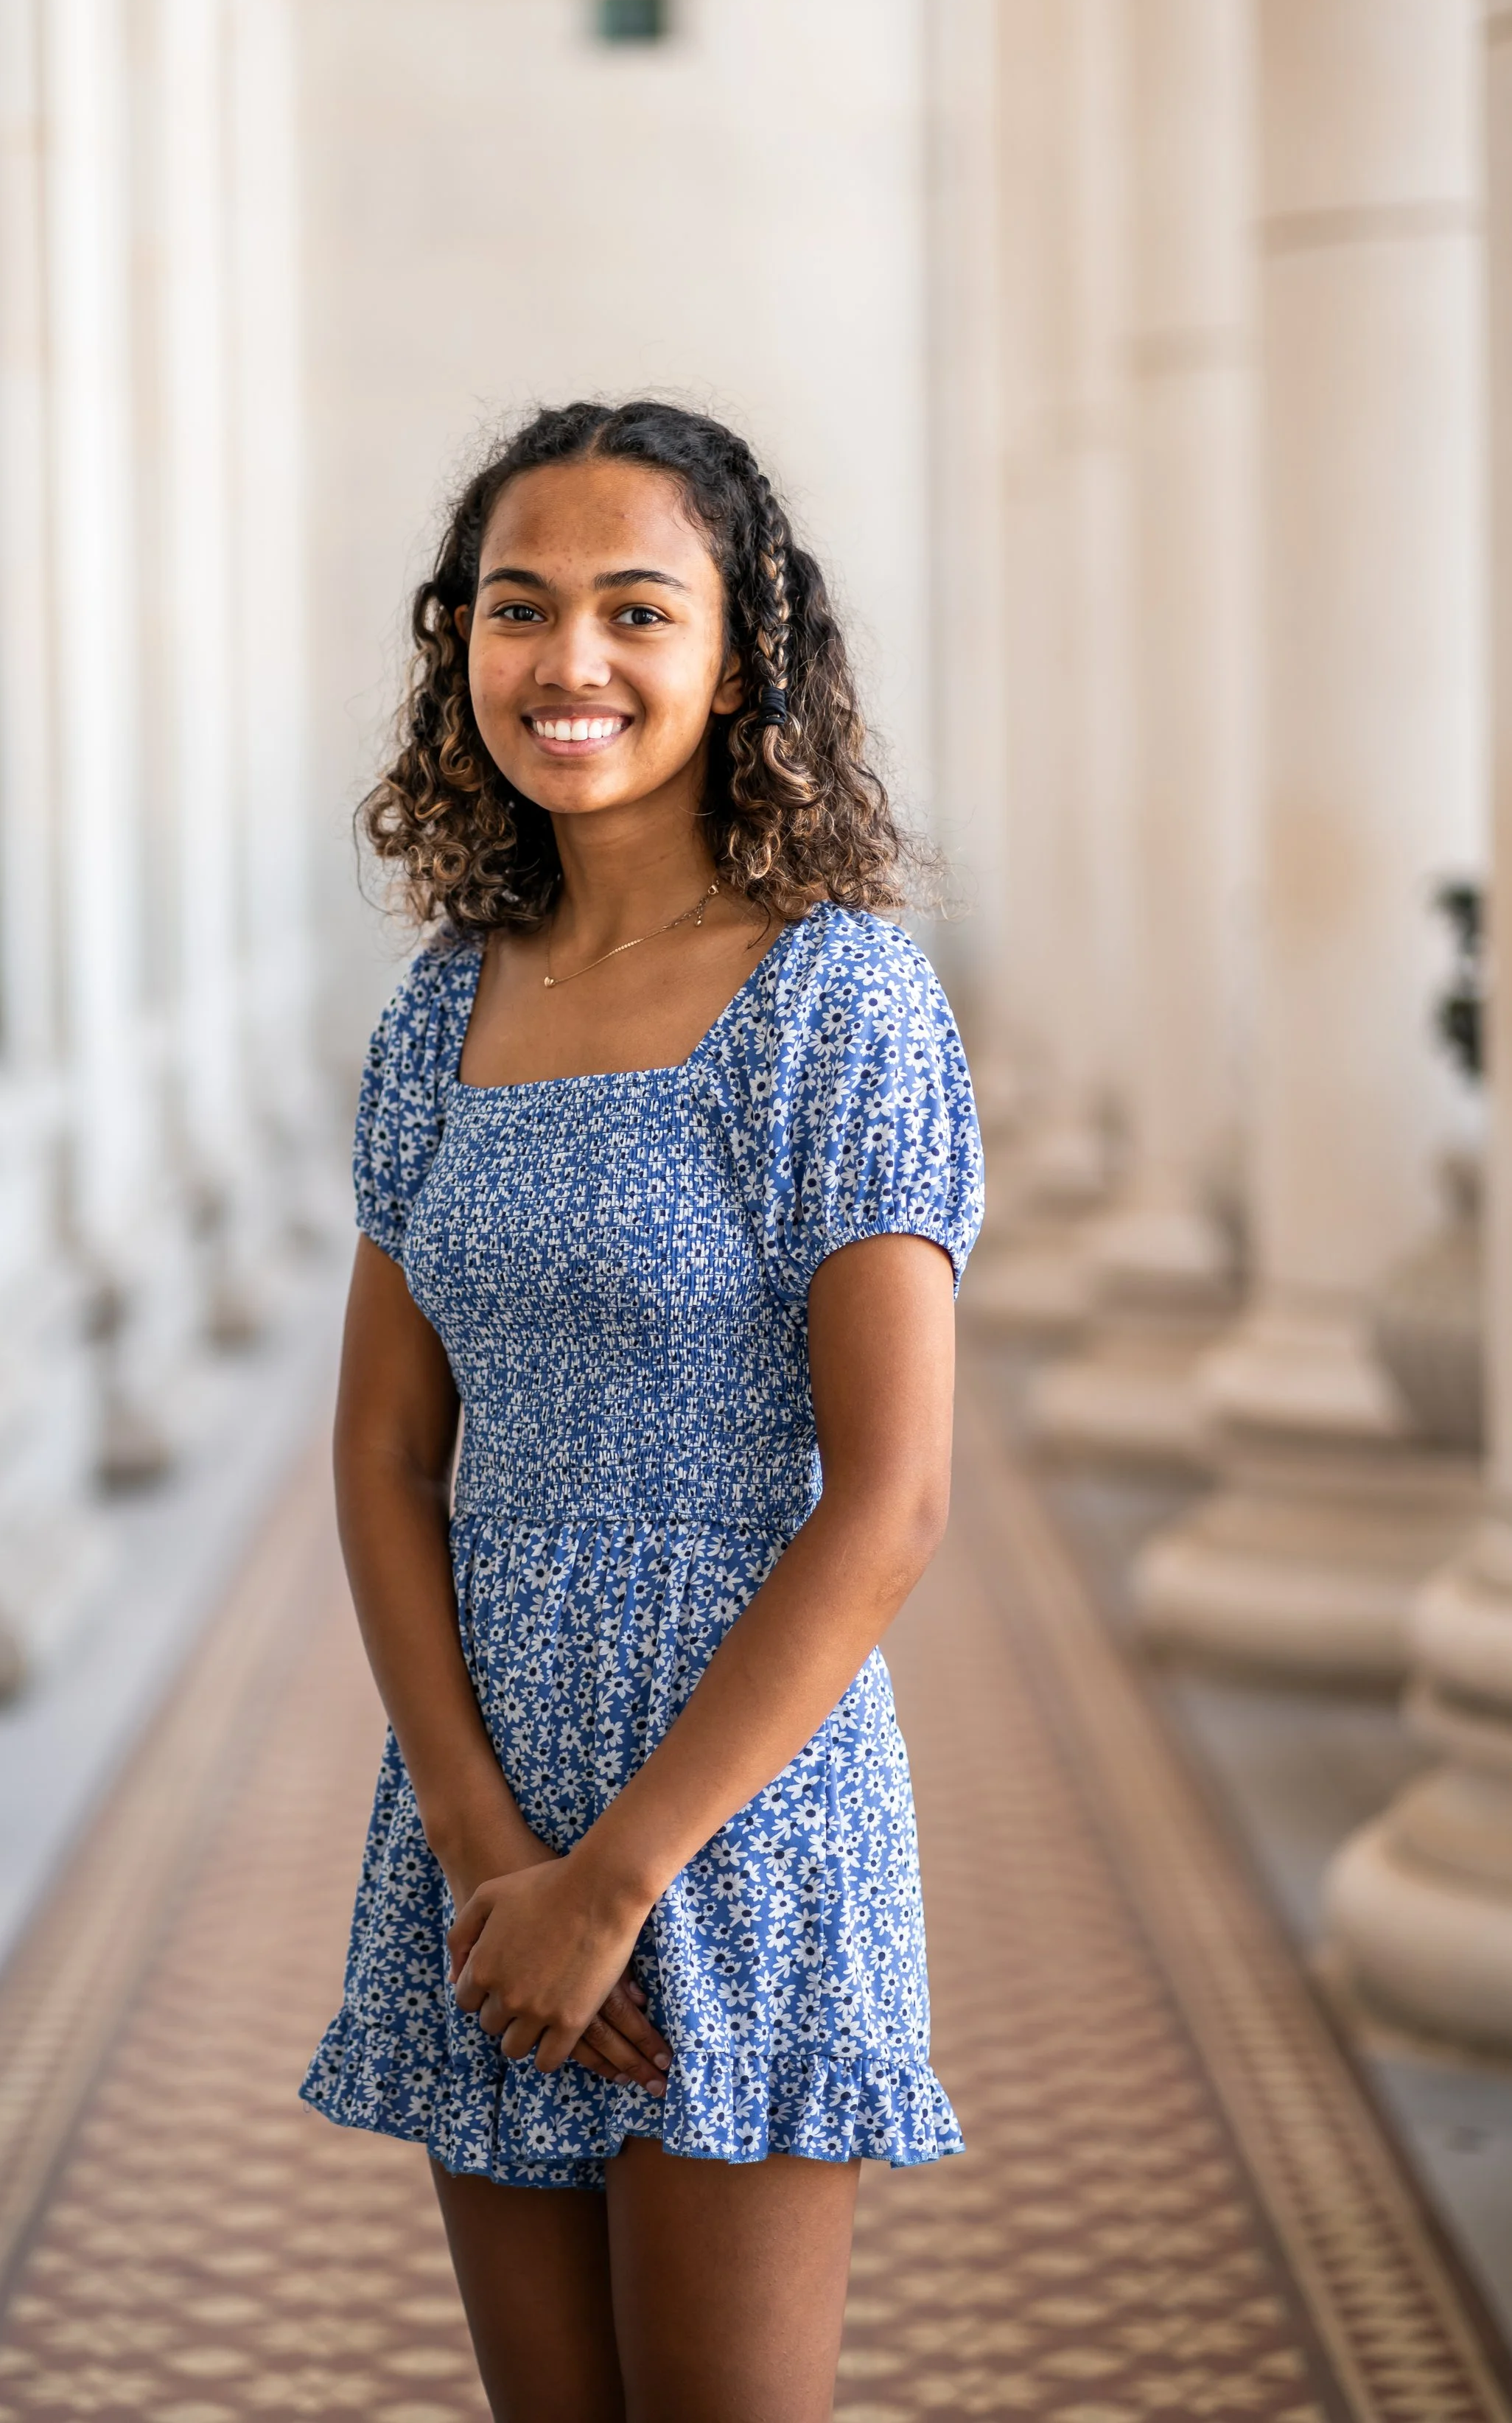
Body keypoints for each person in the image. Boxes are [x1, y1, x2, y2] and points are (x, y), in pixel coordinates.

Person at [301, 400, 982, 2423]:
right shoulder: (446, 1003)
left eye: (632, 607)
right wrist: (484, 1845)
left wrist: (615, 1877)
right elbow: (381, 1453)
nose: (565, 663)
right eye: (517, 609)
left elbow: (892, 1494)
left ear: (738, 654)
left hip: (738, 1816)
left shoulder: (835, 1000)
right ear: (462, 648)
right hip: (481, 1808)